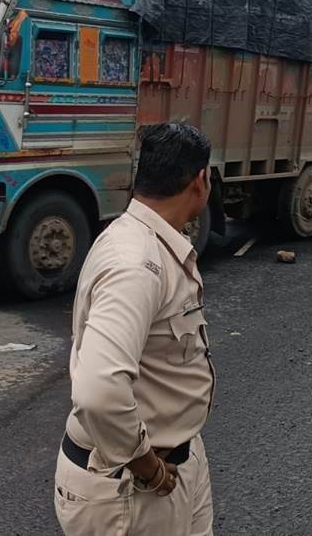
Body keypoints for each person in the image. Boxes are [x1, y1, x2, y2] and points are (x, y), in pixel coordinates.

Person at [54, 123, 216, 536]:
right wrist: (148, 468)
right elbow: (99, 392)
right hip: (133, 487)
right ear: (200, 181)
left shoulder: (153, 241)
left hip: (175, 464)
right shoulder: (136, 263)